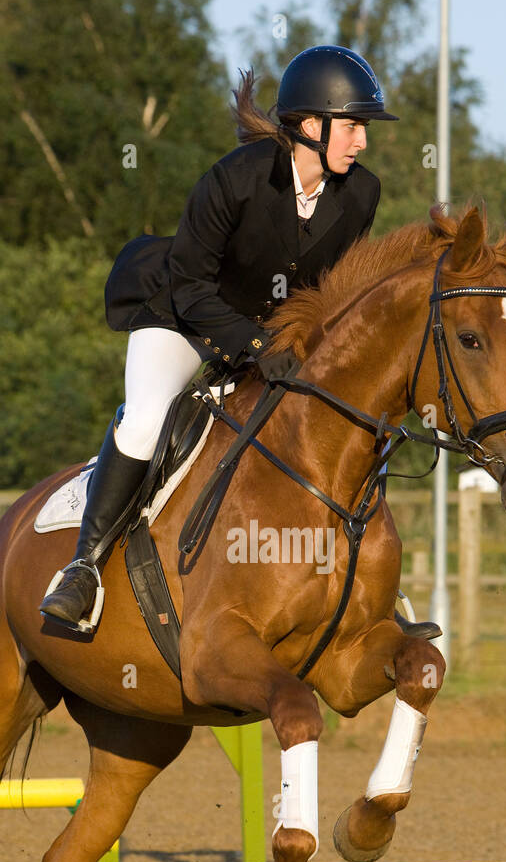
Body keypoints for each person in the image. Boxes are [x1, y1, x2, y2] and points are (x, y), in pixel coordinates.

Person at [40, 44, 398, 629]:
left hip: (269, 331)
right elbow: (190, 284)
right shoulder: (236, 181)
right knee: (149, 415)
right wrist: (257, 348)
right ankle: (84, 566)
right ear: (311, 125)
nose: (362, 141)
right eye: (354, 126)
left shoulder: (361, 193)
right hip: (184, 316)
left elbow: (332, 289)